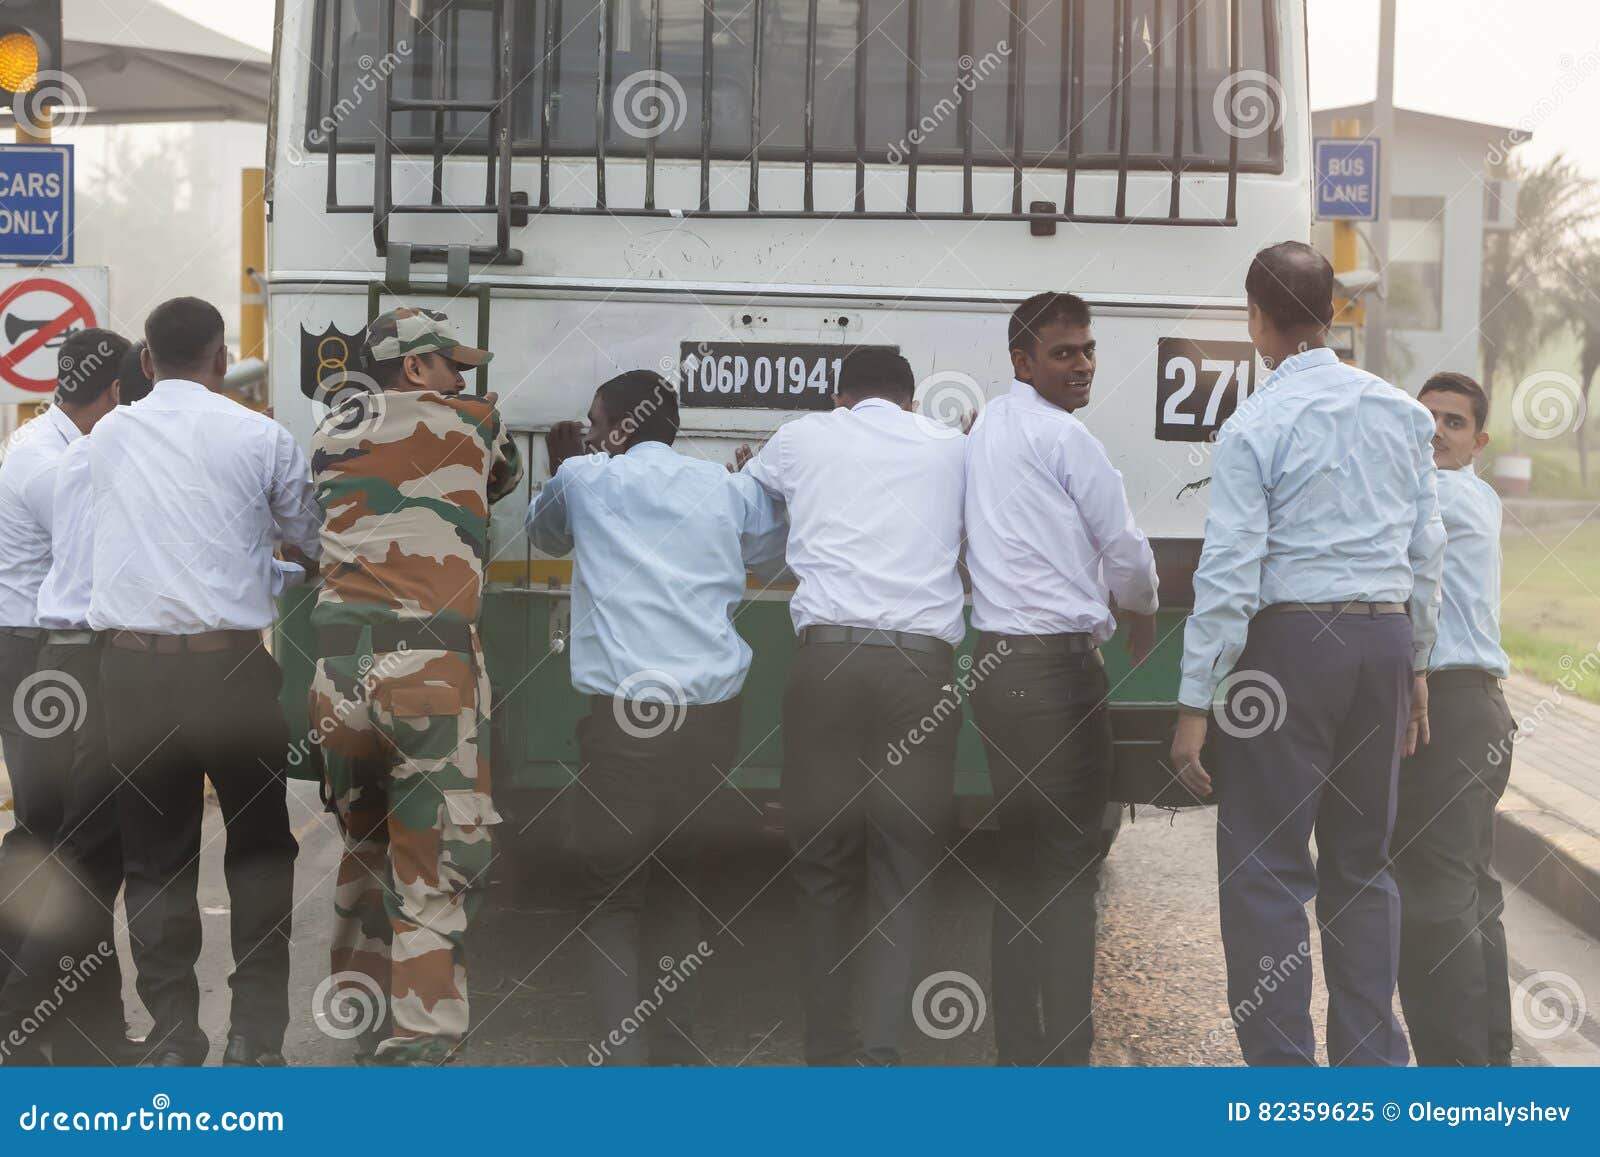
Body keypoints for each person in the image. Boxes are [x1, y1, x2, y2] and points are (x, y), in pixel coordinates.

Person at [1169, 241, 1445, 1067]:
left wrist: (1194, 702)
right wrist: (1419, 666)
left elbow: (1229, 571)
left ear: (1256, 317)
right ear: (1329, 314)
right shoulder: (1403, 412)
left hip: (1288, 648)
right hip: (1384, 640)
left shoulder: (1255, 423)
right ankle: (1370, 1074)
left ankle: (1286, 1077)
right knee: (1363, 865)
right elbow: (1426, 548)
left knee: (1266, 866)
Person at [527, 370, 786, 1066]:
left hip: (627, 722)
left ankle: (621, 1064)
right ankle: (679, 1051)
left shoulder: (584, 477)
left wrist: (565, 464)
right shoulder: (725, 489)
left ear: (614, 427)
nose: (585, 432)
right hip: (711, 720)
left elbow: (546, 535)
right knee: (680, 876)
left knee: (611, 892)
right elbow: (768, 547)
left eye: (591, 420)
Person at [88, 297, 322, 1067]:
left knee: (154, 860)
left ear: (146, 362)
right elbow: (312, 536)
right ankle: (255, 1038)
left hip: (133, 672)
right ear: (221, 359)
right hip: (232, 671)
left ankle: (173, 1038)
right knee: (259, 851)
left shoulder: (104, 438)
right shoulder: (261, 435)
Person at [308, 306, 522, 1066]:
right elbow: (503, 480)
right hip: (429, 672)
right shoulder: (475, 419)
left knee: (364, 841)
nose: (462, 376)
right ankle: (420, 1040)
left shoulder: (329, 428)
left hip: (339, 678)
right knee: (431, 861)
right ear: (413, 366)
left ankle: (356, 1003)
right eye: (449, 363)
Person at [741, 348, 966, 1066]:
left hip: (828, 662)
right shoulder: (952, 445)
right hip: (922, 667)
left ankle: (825, 1048)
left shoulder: (803, 435)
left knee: (822, 861)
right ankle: (881, 1048)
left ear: (840, 397)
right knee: (901, 862)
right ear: (909, 401)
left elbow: (749, 528)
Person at [964, 292, 1159, 1066]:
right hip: (1060, 675)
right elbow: (1125, 548)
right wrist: (1140, 612)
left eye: (1087, 350)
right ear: (1023, 362)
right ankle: (1068, 1063)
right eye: (1062, 352)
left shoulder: (983, 431)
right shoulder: (1067, 438)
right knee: (1069, 869)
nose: (1081, 365)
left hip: (996, 670)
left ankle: (1019, 1056)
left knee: (1017, 866)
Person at [0, 332, 144, 1067]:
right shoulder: (47, 462)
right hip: (39, 659)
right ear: (115, 391)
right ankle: (24, 1012)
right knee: (62, 843)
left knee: (66, 844)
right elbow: (105, 541)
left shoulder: (55, 444)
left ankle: (88, 1029)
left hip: (48, 656)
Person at [1392, 371, 1515, 1066]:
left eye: (1453, 422)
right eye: (1425, 418)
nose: (1436, 431)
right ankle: (1490, 1072)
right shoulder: (1480, 495)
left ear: (1479, 440)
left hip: (1448, 708)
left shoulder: (1447, 498)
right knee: (1472, 896)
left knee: (1435, 908)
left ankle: (1457, 1093)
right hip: (1478, 712)